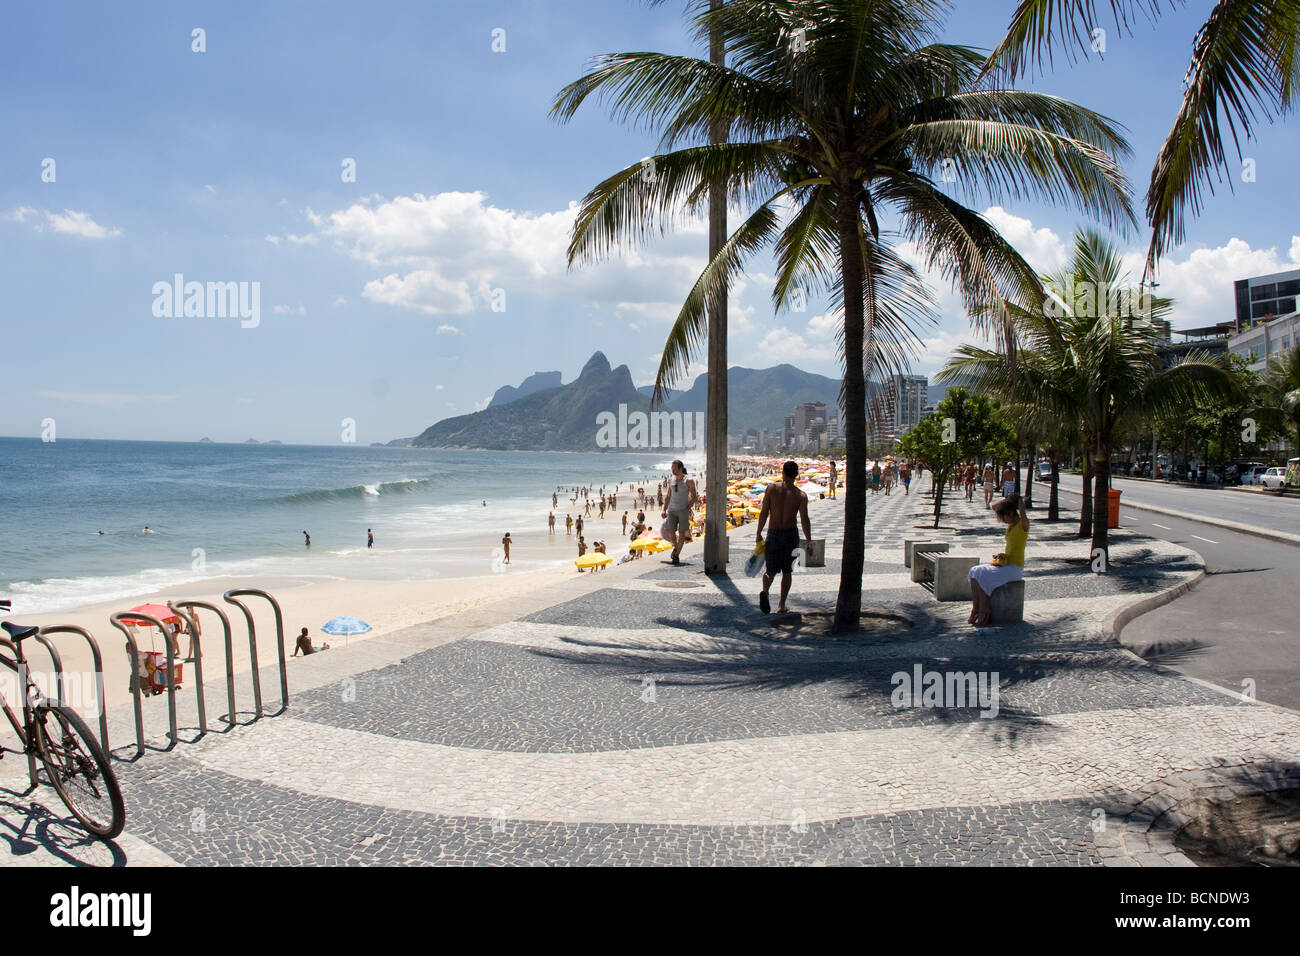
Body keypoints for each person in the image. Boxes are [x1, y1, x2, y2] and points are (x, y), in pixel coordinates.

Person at [755, 460, 813, 614]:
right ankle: (781, 605)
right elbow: (804, 520)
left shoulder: (771, 489)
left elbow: (764, 513)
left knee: (770, 571)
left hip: (773, 533)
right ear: (797, 475)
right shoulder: (800, 495)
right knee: (787, 572)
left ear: (783, 472)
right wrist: (808, 541)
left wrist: (758, 532)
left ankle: (765, 592)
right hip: (790, 534)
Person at [968, 494, 1029, 627]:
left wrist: (1019, 502)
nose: (1003, 520)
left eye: (1004, 516)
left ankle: (984, 610)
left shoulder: (1022, 525)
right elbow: (994, 506)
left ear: (1012, 513)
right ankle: (976, 608)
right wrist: (1008, 500)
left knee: (983, 574)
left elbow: (1023, 514)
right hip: (1006, 564)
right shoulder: (1011, 525)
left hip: (1015, 568)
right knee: (974, 571)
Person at [661, 459, 699, 565]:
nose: (673, 470)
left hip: (683, 510)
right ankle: (676, 547)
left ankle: (676, 555)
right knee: (671, 531)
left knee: (682, 533)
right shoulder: (670, 480)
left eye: (674, 468)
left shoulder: (688, 480)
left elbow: (694, 495)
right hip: (672, 510)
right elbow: (668, 496)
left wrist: (688, 508)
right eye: (671, 468)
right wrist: (664, 509)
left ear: (680, 468)